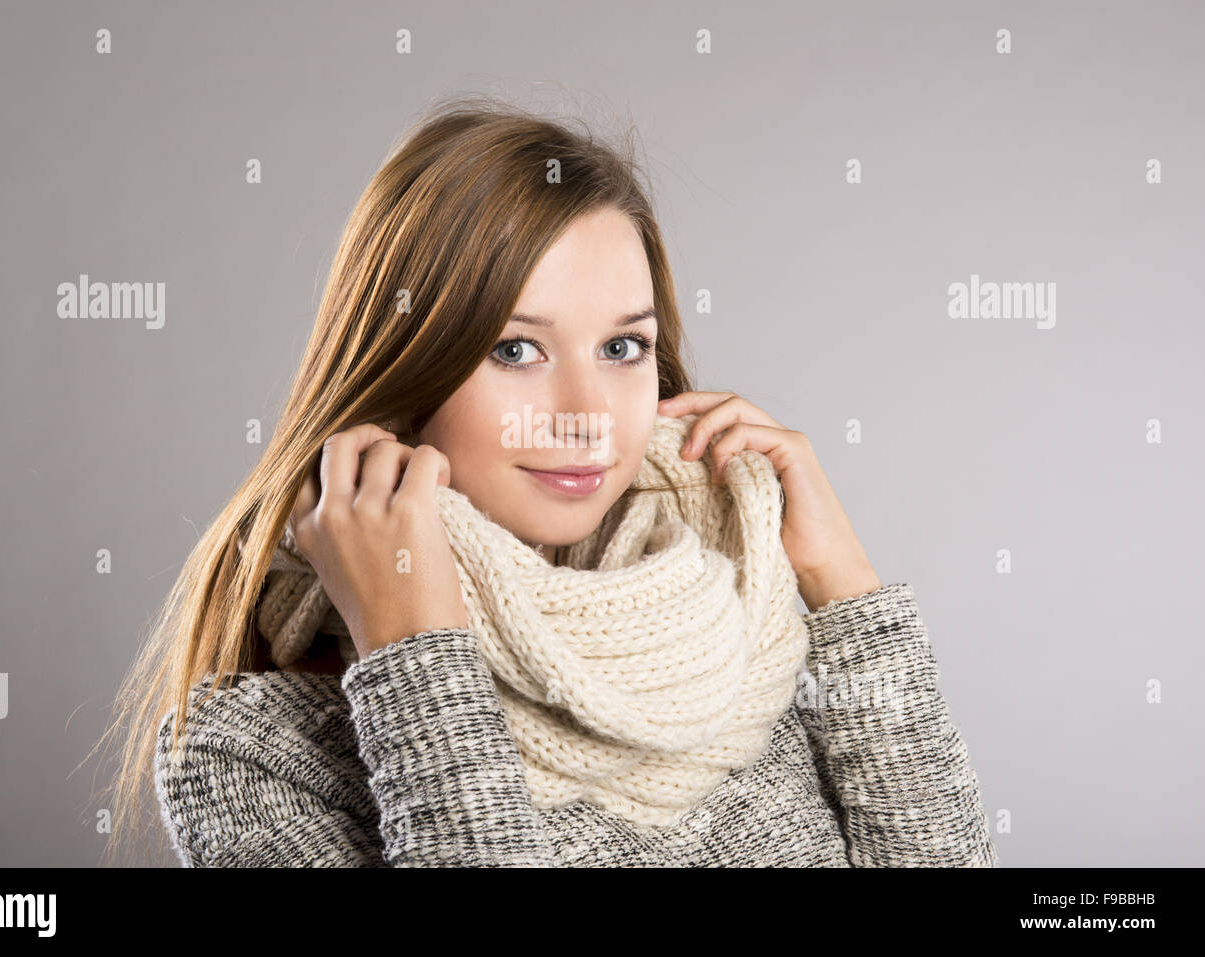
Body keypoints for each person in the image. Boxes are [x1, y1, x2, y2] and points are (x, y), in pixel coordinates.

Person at [98, 93, 999, 867]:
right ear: (405, 376)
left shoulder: (730, 627)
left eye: (622, 347)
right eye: (514, 349)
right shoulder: (256, 756)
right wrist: (415, 653)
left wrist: (844, 591)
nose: (587, 413)